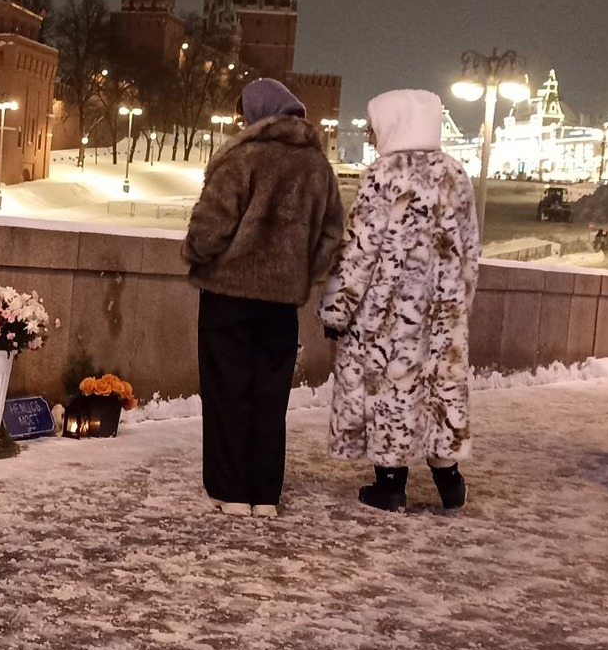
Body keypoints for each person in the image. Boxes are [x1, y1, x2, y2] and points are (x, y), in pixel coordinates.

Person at [182, 77, 346, 516]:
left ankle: (231, 490)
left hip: (228, 296)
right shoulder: (317, 166)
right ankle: (265, 494)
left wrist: (196, 255)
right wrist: (302, 273)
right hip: (280, 303)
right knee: (270, 396)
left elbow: (209, 227)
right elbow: (332, 234)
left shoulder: (242, 158)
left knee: (227, 390)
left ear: (256, 113)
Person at [317, 89, 482, 512]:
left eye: (374, 128)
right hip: (443, 313)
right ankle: (450, 481)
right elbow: (470, 252)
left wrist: (336, 311)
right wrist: (457, 306)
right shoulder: (456, 174)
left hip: (387, 314)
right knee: (440, 390)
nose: (371, 137)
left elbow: (359, 251)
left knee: (392, 389)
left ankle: (390, 485)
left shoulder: (383, 175)